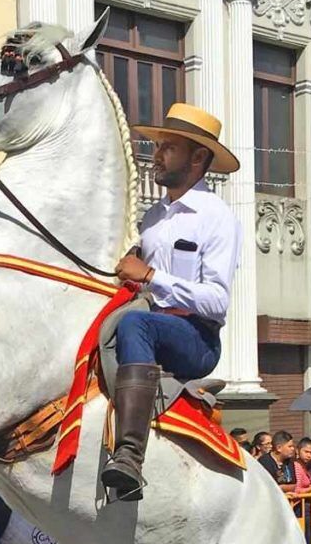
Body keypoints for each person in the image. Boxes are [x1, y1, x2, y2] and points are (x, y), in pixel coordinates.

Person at [101, 102, 242, 500]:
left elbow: (216, 301)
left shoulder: (217, 217)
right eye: (158, 145)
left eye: (168, 147)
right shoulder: (153, 218)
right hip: (151, 328)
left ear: (198, 158)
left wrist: (150, 276)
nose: (156, 155)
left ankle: (129, 456)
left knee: (134, 324)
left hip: (196, 338)